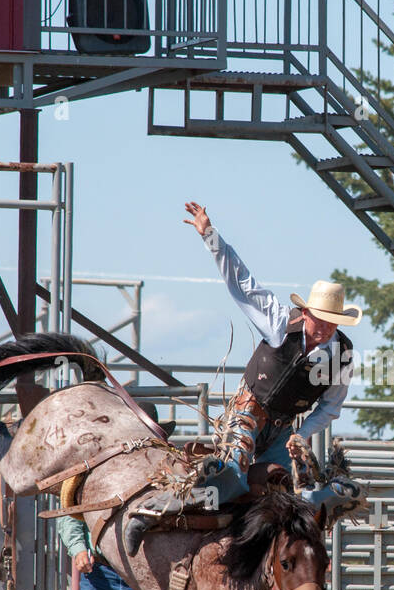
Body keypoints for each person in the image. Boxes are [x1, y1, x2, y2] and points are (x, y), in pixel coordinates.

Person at [125, 202, 363, 546]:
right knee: (229, 478)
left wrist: (303, 434)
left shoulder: (341, 356)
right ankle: (158, 510)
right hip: (248, 411)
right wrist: (210, 235)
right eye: (319, 319)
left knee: (294, 494)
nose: (324, 328)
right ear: (306, 313)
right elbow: (243, 283)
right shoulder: (282, 323)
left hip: (284, 429)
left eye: (331, 322)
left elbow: (330, 406)